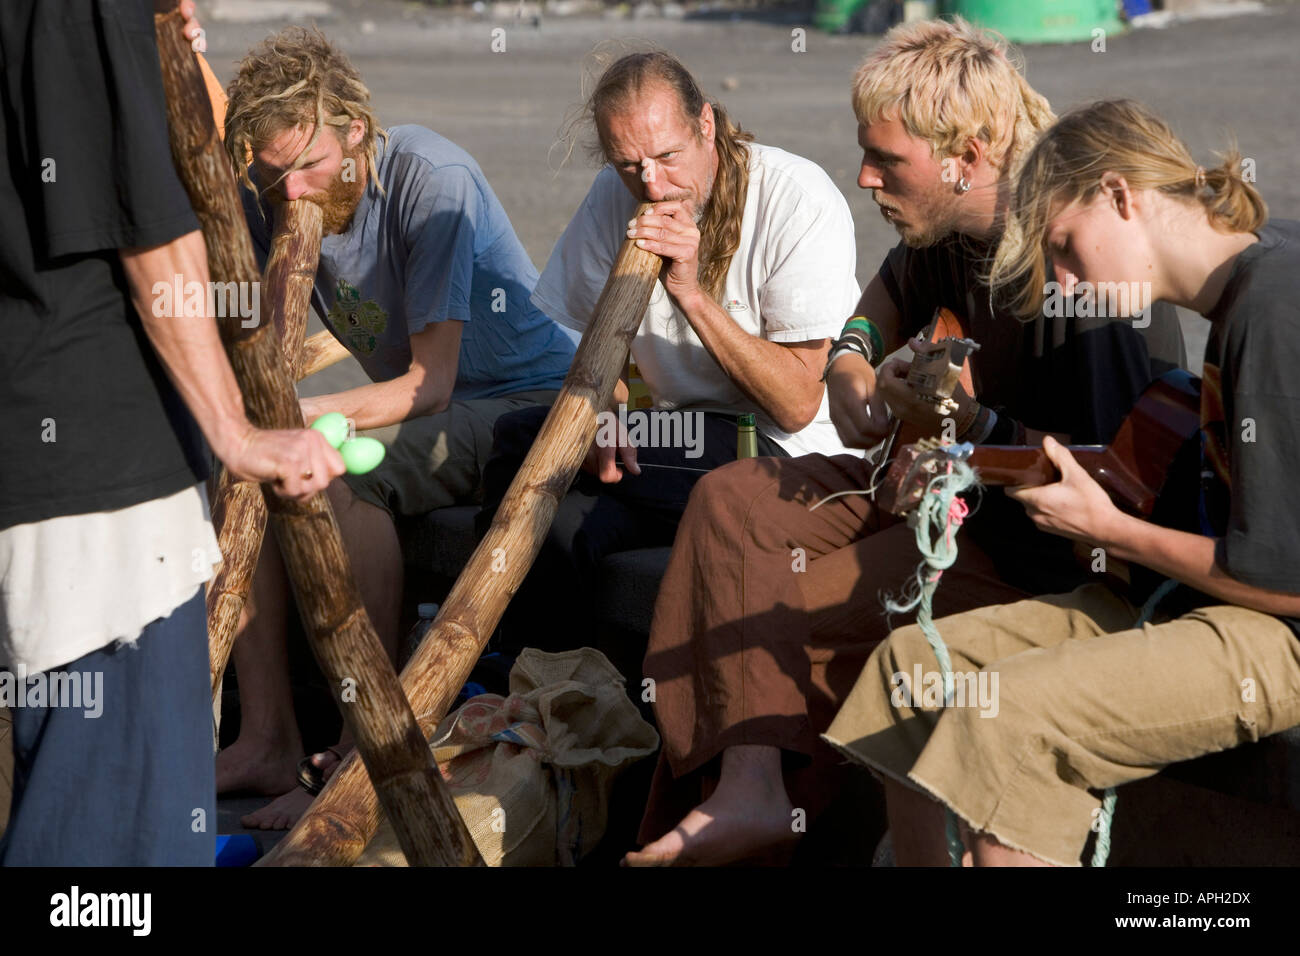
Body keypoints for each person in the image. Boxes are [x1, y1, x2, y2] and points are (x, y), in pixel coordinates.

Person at [624, 19, 1188, 866]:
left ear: (966, 155)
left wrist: (960, 433)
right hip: (951, 508)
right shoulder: (946, 234)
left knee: (772, 600)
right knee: (731, 498)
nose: (864, 176)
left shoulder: (1076, 268)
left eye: (887, 161)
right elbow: (869, 313)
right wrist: (855, 373)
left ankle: (786, 816)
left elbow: (1100, 490)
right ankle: (754, 791)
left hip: (1040, 563)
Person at [825, 98, 1300, 867]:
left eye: (1066, 249)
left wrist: (1107, 529)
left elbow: (1282, 581)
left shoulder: (1275, 305)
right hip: (1197, 601)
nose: (1068, 282)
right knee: (909, 672)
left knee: (1008, 719)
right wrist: (971, 455)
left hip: (1275, 633)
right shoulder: (1253, 281)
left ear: (1120, 196)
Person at [0, 0, 341, 866]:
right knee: (116, 843)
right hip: (101, 479)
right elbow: (151, 231)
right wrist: (238, 431)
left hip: (42, 461)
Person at [213, 27, 576, 829]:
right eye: (276, 178)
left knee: (343, 476)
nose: (297, 194)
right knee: (251, 474)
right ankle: (268, 734)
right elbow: (244, 331)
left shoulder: (428, 178)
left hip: (522, 399)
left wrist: (293, 416)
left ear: (356, 131)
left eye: (312, 166)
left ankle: (358, 740)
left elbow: (430, 382)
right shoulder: (274, 195)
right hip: (431, 402)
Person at [476, 49, 862, 655]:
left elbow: (796, 403)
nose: (651, 184)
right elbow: (594, 348)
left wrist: (690, 293)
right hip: (672, 442)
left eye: (666, 157)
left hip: (783, 455)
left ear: (706, 125)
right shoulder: (613, 195)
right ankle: (557, 698)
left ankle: (535, 684)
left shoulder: (796, 198)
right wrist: (604, 412)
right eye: (628, 165)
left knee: (524, 442)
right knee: (554, 513)